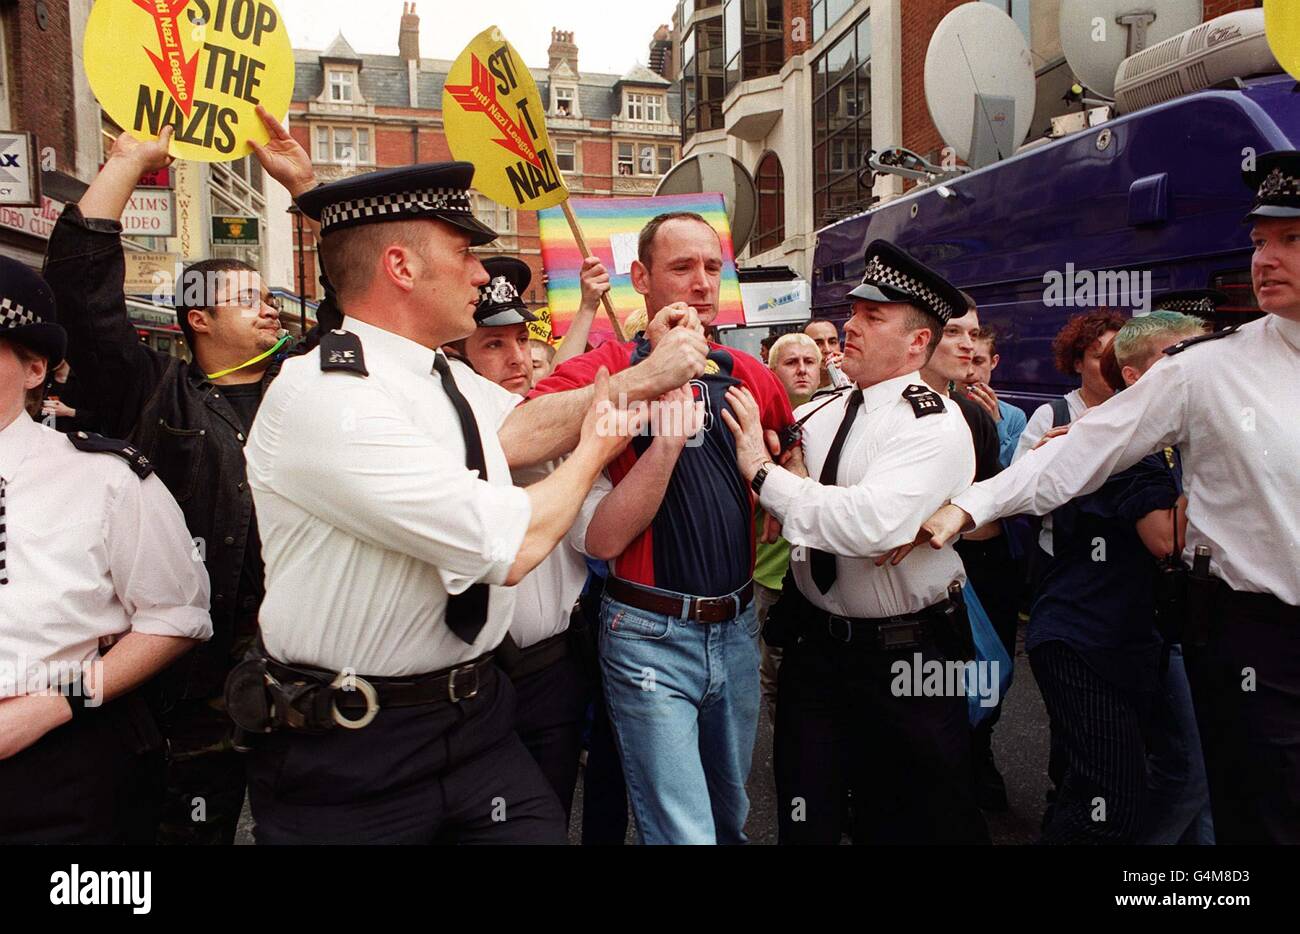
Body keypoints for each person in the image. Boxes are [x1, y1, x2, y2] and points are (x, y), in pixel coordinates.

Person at [239, 162, 645, 844]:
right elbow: (508, 546)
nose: (481, 275)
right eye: (462, 253)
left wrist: (645, 376)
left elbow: (521, 426)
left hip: (473, 721)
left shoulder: (436, 374)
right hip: (354, 753)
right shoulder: (324, 395)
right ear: (400, 266)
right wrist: (595, 451)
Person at [910, 150, 1300, 845]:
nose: (1264, 258)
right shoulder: (1207, 369)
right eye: (1258, 240)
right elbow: (1081, 447)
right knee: (1262, 816)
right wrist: (972, 505)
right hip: (1256, 645)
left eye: (1289, 239)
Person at [42, 111, 319, 846]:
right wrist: (128, 162)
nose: (270, 306)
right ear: (197, 317)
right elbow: (81, 294)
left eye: (270, 296)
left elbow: (366, 307)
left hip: (305, 664)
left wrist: (305, 190)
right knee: (190, 826)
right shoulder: (150, 393)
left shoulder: (312, 383)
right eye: (247, 296)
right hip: (189, 686)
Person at [524, 211, 796, 845]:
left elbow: (788, 437)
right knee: (684, 833)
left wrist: (779, 468)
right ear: (640, 278)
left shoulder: (745, 370)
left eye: (711, 267)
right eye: (681, 268)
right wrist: (649, 395)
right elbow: (523, 433)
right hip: (647, 632)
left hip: (736, 627)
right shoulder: (611, 366)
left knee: (730, 818)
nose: (701, 282)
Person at [724, 239, 988, 845]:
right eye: (854, 312)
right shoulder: (825, 410)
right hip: (818, 650)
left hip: (909, 659)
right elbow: (812, 485)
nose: (852, 325)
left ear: (918, 343)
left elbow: (870, 524)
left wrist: (764, 475)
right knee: (806, 813)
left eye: (874, 317)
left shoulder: (933, 421)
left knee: (913, 823)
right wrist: (788, 467)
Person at [0, 257, 211, 842]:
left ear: (34, 367)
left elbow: (176, 617)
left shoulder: (105, 478)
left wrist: (51, 705)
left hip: (60, 759)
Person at [1021, 312, 1207, 844]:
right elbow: (1166, 538)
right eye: (1181, 357)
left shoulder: (1161, 438)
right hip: (1084, 638)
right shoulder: (1119, 444)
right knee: (1105, 795)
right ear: (1133, 376)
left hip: (1140, 635)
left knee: (1178, 772)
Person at [447, 256, 613, 824]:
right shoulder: (442, 425)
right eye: (493, 344)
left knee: (546, 813)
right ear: (457, 354)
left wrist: (589, 307)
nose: (517, 357)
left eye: (522, 339)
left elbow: (551, 396)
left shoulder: (552, 418)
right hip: (465, 677)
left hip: (550, 671)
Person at [917, 296, 1016, 812]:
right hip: (909, 591)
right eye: (954, 331)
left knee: (978, 686)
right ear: (922, 338)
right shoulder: (879, 410)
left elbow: (989, 501)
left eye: (973, 334)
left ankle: (976, 765)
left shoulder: (976, 417)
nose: (967, 344)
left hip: (973, 573)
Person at [754, 332, 823, 724]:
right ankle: (785, 749)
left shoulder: (840, 417)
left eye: (809, 361)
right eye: (790, 362)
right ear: (771, 370)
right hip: (770, 572)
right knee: (775, 661)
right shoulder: (757, 426)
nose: (801, 370)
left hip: (826, 574)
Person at [963, 325, 1027, 468]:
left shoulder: (1014, 417)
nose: (970, 371)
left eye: (978, 361)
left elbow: (1010, 470)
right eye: (965, 360)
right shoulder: (944, 405)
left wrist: (996, 423)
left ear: (993, 362)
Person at [804, 318, 842, 390]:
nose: (827, 350)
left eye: (832, 342)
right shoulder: (795, 394)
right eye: (818, 344)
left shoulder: (855, 385)